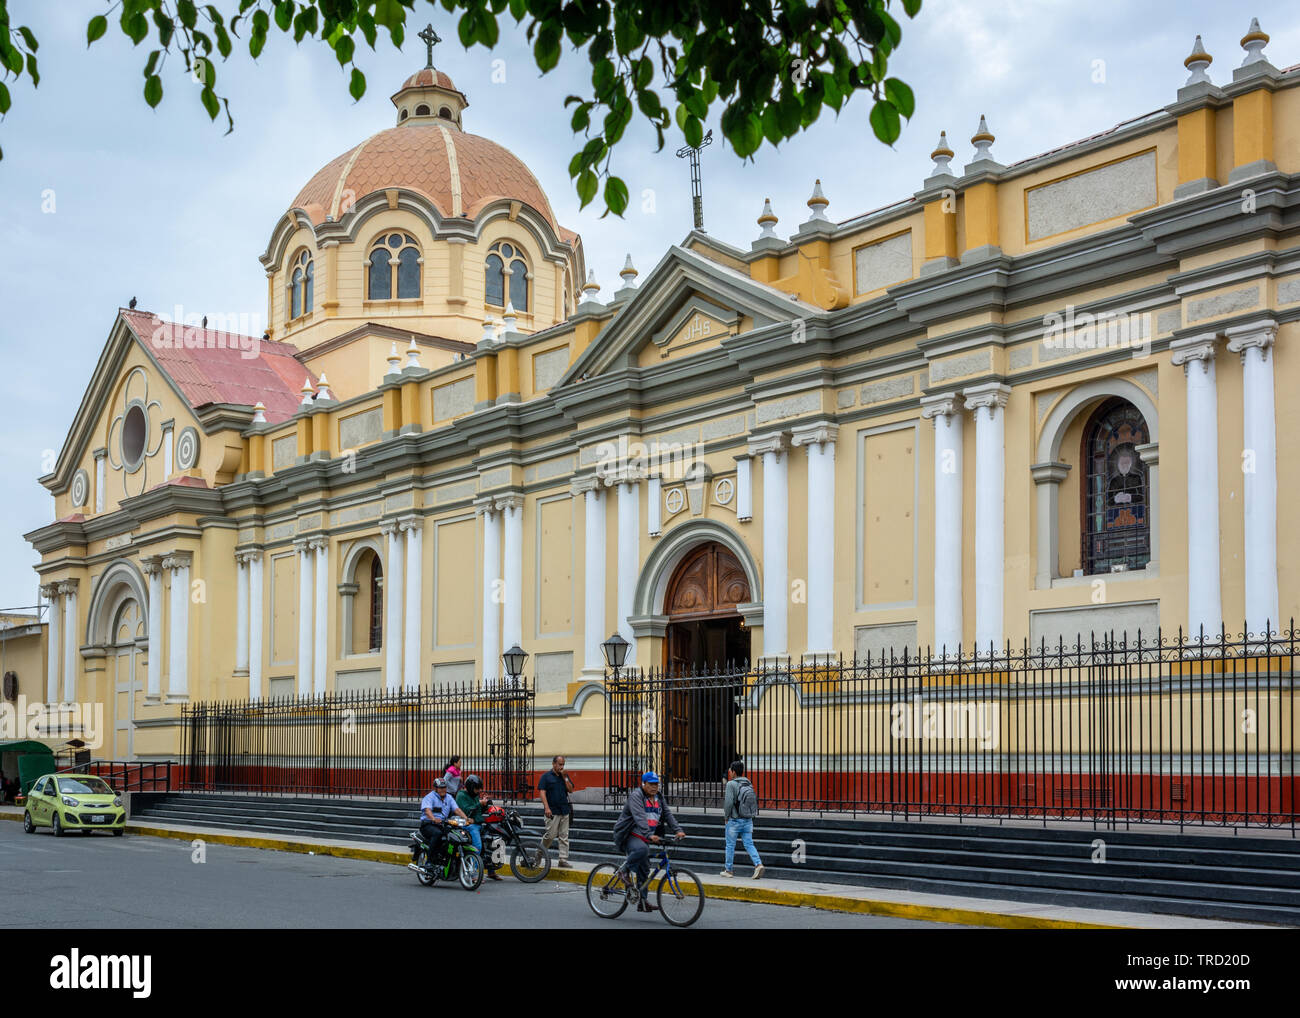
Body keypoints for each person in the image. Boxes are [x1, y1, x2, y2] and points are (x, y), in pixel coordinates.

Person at [612, 772, 684, 912]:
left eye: (656, 784)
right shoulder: (636, 796)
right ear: (643, 784)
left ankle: (642, 902)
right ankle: (623, 871)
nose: (654, 787)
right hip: (629, 835)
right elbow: (639, 817)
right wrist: (650, 834)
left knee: (645, 868)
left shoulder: (659, 797)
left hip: (644, 836)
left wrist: (677, 829)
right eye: (651, 784)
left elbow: (667, 814)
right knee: (642, 850)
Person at [720, 760, 764, 879]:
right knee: (749, 843)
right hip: (748, 819)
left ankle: (728, 870)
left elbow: (728, 803)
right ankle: (758, 864)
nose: (729, 772)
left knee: (730, 845)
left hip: (734, 820)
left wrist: (726, 817)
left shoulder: (731, 784)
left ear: (733, 772)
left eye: (730, 770)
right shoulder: (748, 783)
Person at [455, 773, 502, 880]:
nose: (478, 791)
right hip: (470, 825)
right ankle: (472, 874)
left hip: (479, 823)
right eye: (477, 789)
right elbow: (466, 811)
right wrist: (479, 803)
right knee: (477, 847)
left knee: (493, 842)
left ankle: (491, 871)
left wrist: (485, 805)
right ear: (471, 788)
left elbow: (478, 811)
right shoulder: (461, 796)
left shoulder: (474, 796)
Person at [418, 777, 467, 873]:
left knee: (454, 836)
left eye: (444, 787)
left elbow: (457, 809)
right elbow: (427, 810)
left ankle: (446, 859)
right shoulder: (429, 797)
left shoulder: (449, 798)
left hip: (442, 824)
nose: (443, 789)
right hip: (428, 825)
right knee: (437, 834)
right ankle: (429, 862)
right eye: (440, 788)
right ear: (435, 788)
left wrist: (466, 818)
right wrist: (433, 819)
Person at [537, 754, 575, 869]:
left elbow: (571, 790)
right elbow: (542, 792)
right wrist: (546, 808)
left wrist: (565, 778)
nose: (561, 767)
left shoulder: (565, 776)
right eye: (559, 764)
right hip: (552, 811)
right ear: (554, 764)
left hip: (564, 810)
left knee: (564, 836)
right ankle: (538, 856)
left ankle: (563, 859)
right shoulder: (546, 776)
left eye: (563, 764)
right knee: (550, 835)